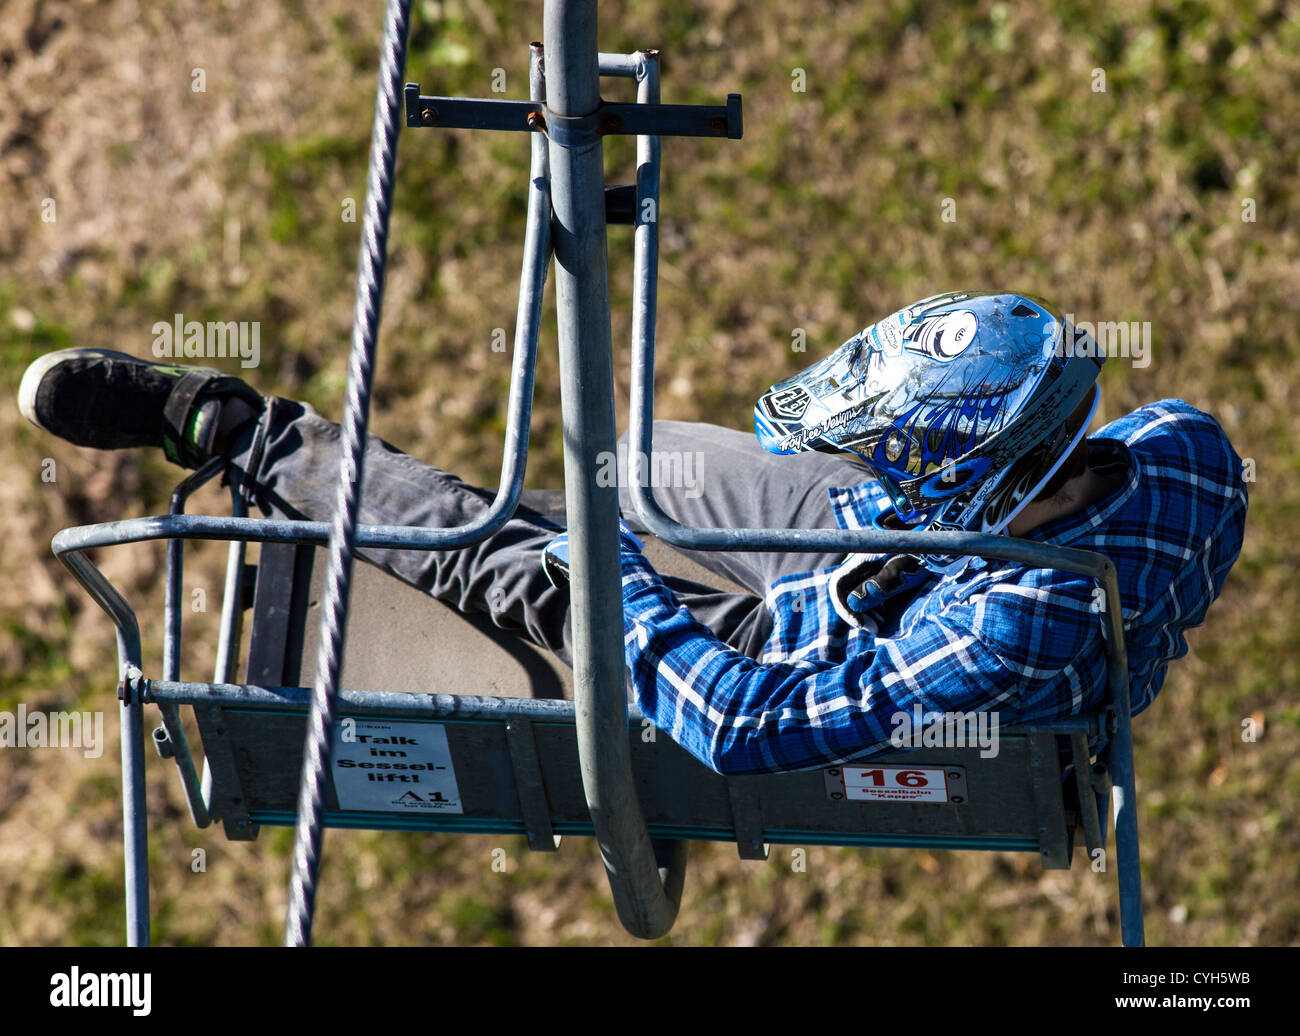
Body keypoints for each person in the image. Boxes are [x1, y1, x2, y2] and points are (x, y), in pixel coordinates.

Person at [19, 291, 1248, 776]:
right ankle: (475, 514)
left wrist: (616, 597)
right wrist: (886, 510)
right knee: (630, 465)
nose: (852, 462)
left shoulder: (1001, 628)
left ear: (965, 492)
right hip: (896, 559)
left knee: (496, 553)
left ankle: (231, 426)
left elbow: (747, 727)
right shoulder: (1180, 446)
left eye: (881, 455)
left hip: (793, 646)